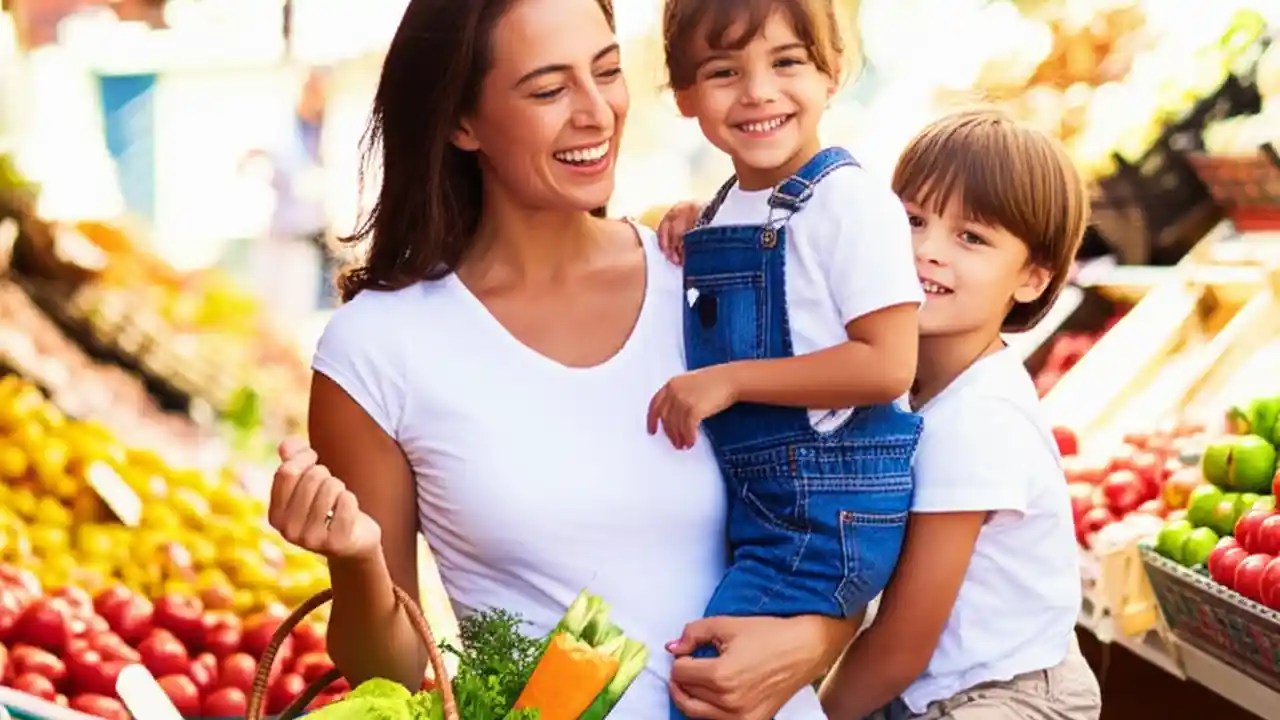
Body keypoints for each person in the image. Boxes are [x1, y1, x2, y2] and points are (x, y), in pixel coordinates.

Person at [266, 1, 857, 718]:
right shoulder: (377, 351)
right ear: (461, 121)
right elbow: (387, 670)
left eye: (606, 72)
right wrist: (358, 560)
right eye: (549, 90)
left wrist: (820, 637)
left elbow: (856, 494)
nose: (597, 113)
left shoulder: (705, 277)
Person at [651, 3, 923, 718]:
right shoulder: (727, 208)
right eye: (723, 72)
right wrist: (690, 225)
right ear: (685, 97)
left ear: (833, 75)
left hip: (824, 512)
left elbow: (888, 364)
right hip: (767, 509)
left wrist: (731, 379)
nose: (758, 91)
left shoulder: (850, 203)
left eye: (786, 62)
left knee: (709, 687)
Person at [816, 110, 1102, 719]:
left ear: (1031, 278)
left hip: (1011, 697)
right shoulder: (902, 377)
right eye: (913, 220)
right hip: (929, 689)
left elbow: (901, 644)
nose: (926, 251)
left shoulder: (978, 420)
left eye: (970, 237)